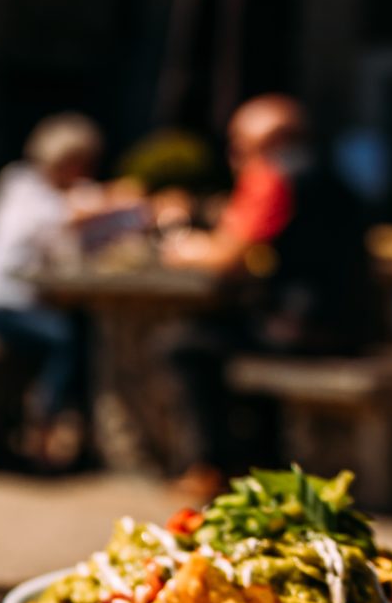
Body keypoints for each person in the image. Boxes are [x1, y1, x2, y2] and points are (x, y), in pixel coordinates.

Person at [160, 95, 380, 487]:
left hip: (303, 328)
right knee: (233, 339)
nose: (234, 156)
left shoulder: (272, 176)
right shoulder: (336, 176)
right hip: (352, 325)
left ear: (267, 142)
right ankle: (262, 459)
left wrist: (184, 247)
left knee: (186, 343)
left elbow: (227, 254)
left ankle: (212, 465)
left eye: (239, 145)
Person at [0, 114, 109, 467]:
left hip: (22, 303)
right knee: (65, 338)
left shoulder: (51, 192)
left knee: (75, 333)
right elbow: (58, 220)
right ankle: (44, 419)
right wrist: (112, 201)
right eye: (81, 164)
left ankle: (60, 422)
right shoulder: (21, 184)